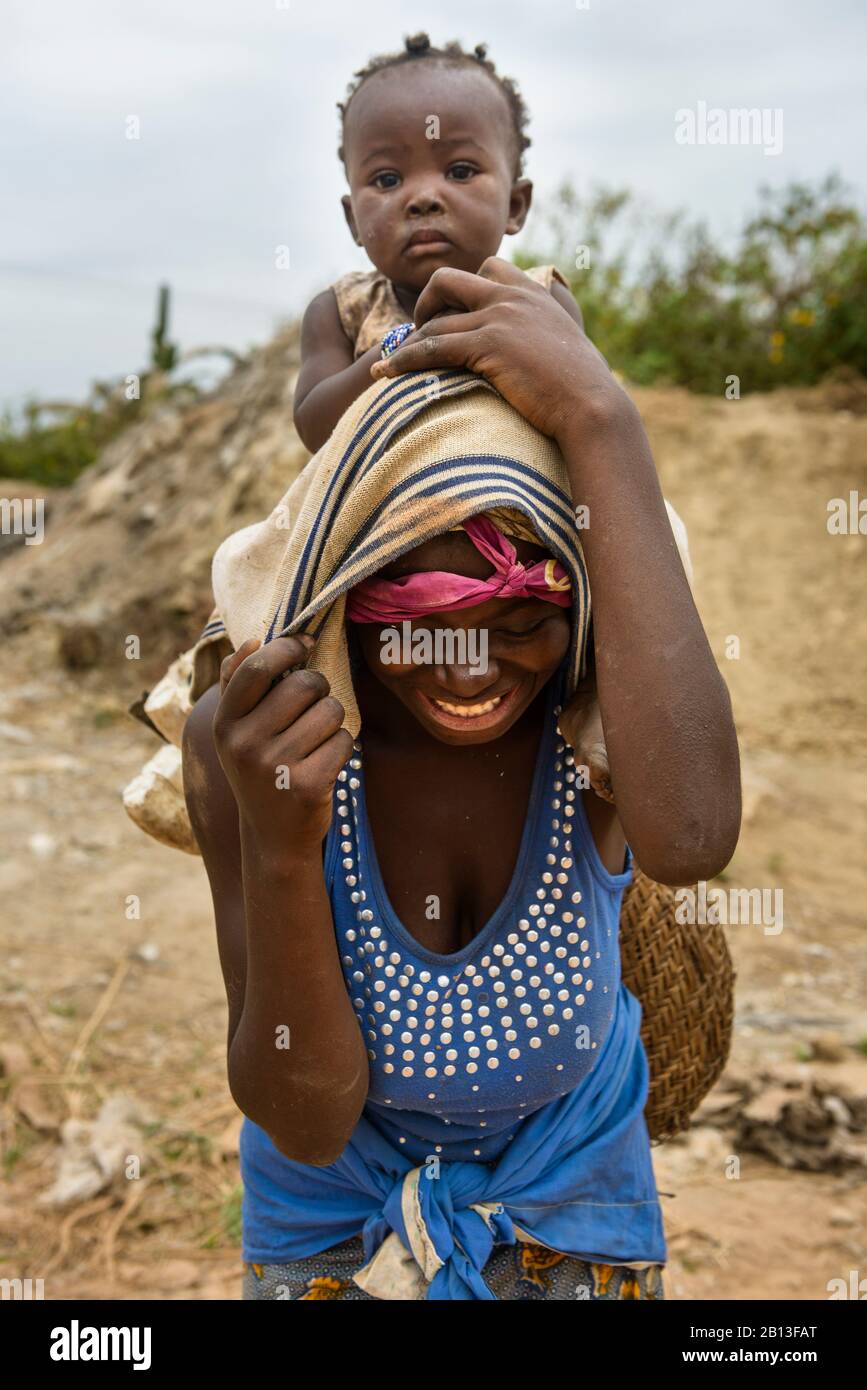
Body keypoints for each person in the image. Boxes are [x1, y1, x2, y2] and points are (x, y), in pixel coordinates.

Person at [181, 258, 741, 1296]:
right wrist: (282, 845)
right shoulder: (257, 746)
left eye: (523, 615)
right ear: (347, 592)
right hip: (337, 1230)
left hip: (571, 1208)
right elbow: (304, 1117)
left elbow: (696, 837)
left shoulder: (592, 731)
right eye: (426, 624)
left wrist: (599, 416)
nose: (475, 669)